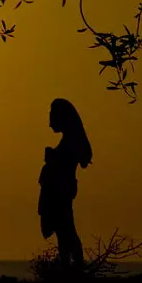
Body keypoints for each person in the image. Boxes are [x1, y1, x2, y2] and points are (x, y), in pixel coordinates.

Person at [38, 98, 92, 267]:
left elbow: (66, 164)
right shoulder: (69, 140)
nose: (50, 122)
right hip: (59, 191)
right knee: (64, 231)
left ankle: (75, 266)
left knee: (67, 230)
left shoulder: (71, 142)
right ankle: (68, 266)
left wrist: (53, 157)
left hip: (61, 192)